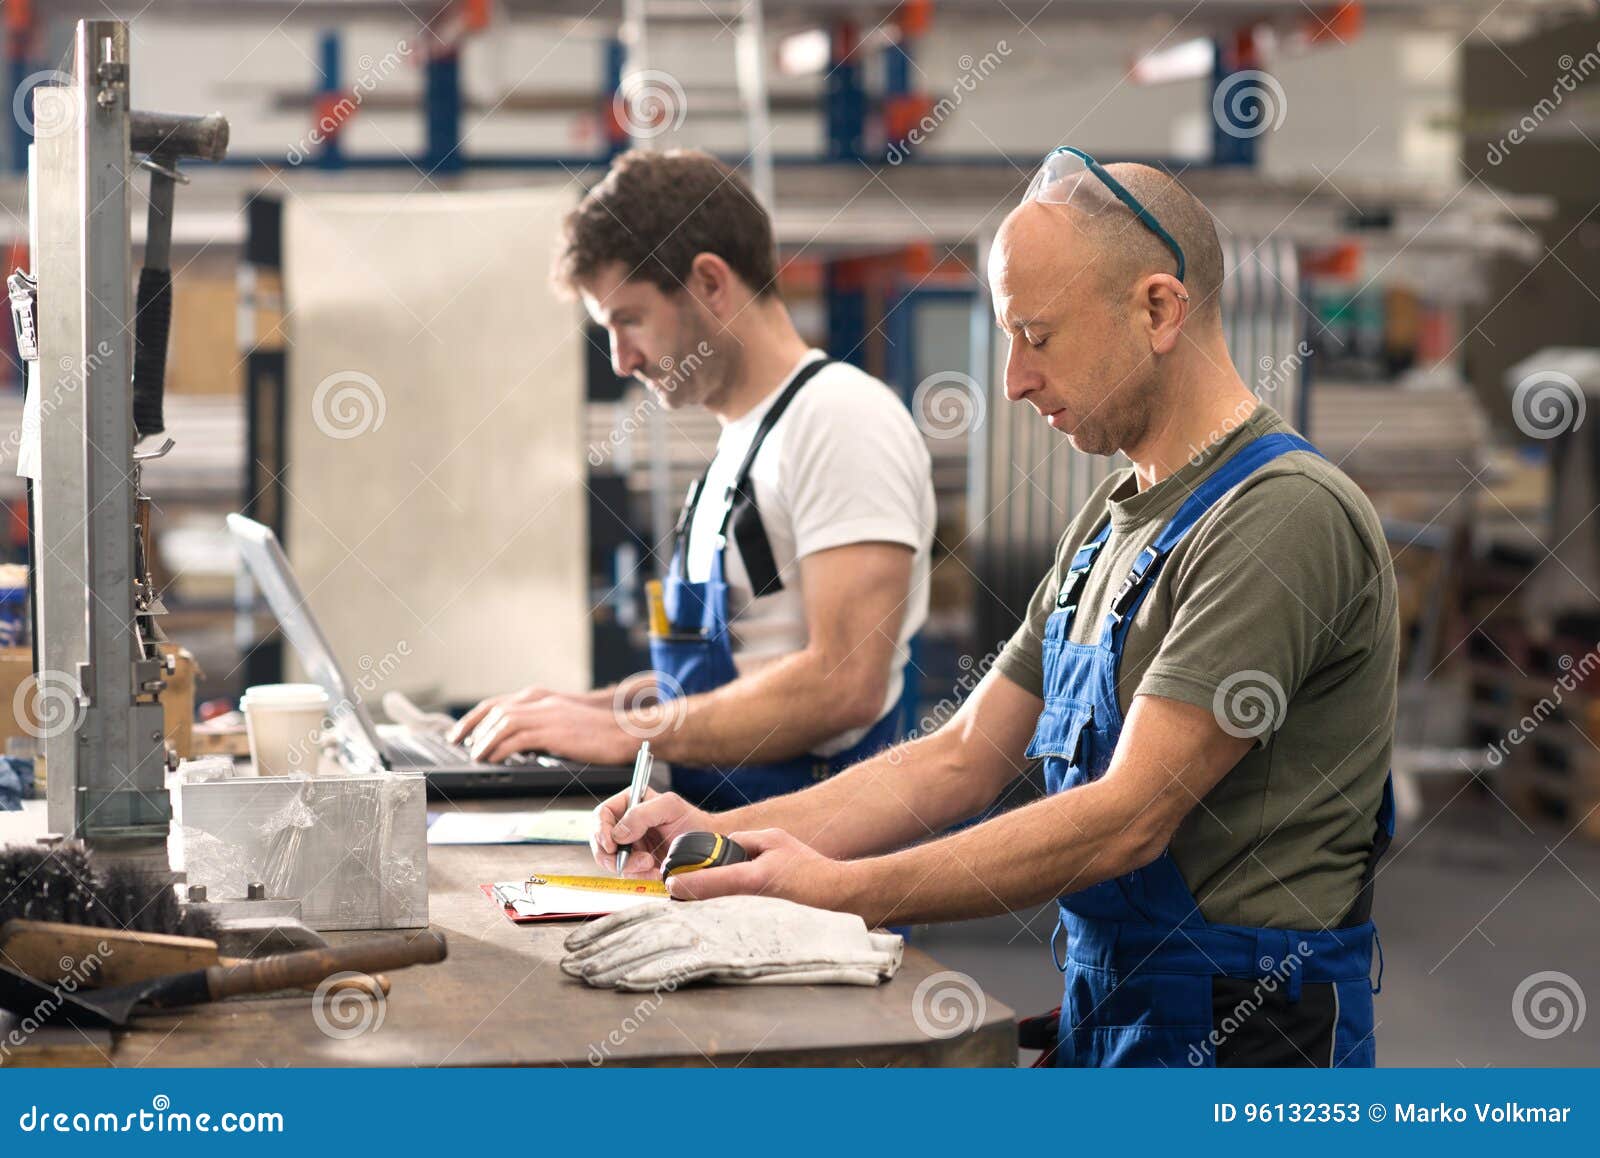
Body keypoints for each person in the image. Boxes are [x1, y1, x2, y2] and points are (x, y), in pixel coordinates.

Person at [588, 151, 1399, 1068]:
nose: (1012, 380)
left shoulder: (1280, 516)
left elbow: (1127, 817)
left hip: (1248, 1044)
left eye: (1037, 335)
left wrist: (842, 890)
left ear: (1160, 309)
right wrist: (721, 837)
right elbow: (963, 756)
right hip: (1117, 1011)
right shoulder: (1109, 521)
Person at [453, 149, 936, 812]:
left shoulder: (839, 419)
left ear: (710, 282)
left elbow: (843, 681)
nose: (622, 362)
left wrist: (626, 728)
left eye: (630, 320)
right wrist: (579, 710)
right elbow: (737, 679)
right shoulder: (735, 451)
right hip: (720, 838)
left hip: (811, 872)